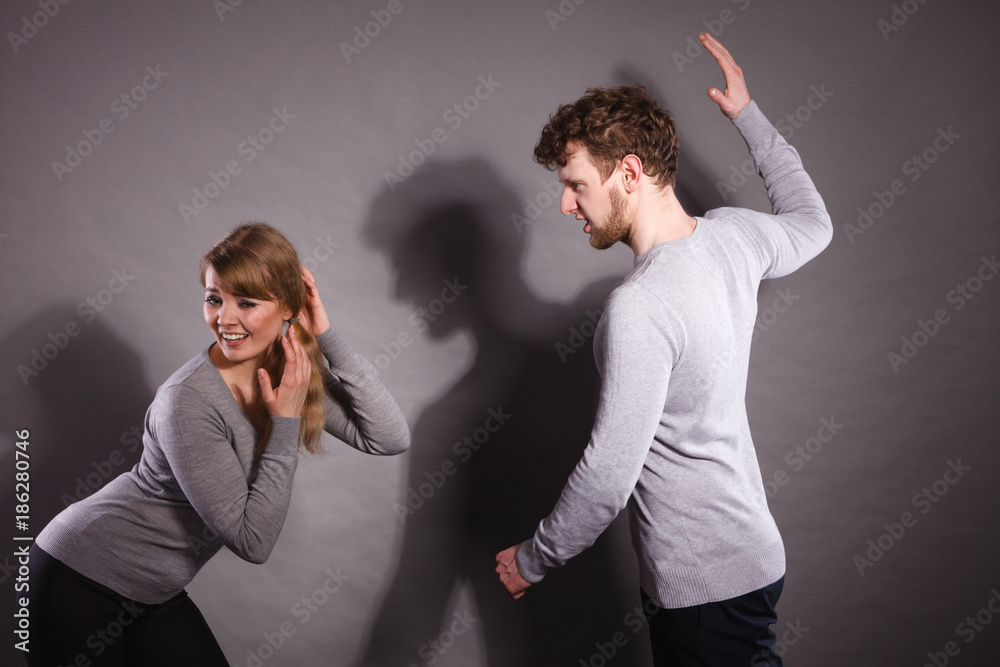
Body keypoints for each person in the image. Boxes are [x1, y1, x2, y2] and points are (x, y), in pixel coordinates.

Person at [495, 33, 832, 665]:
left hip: (705, 588)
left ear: (629, 172)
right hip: (750, 560)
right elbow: (815, 223)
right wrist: (748, 117)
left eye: (575, 184)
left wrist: (532, 561)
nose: (566, 205)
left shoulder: (639, 307)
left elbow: (606, 478)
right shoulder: (735, 236)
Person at [28, 222, 410, 667]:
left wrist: (327, 336)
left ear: (287, 306)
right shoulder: (187, 402)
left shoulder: (291, 369)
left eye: (246, 302)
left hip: (154, 591)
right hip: (81, 578)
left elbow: (388, 437)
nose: (224, 319)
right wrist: (283, 423)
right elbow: (253, 542)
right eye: (214, 298)